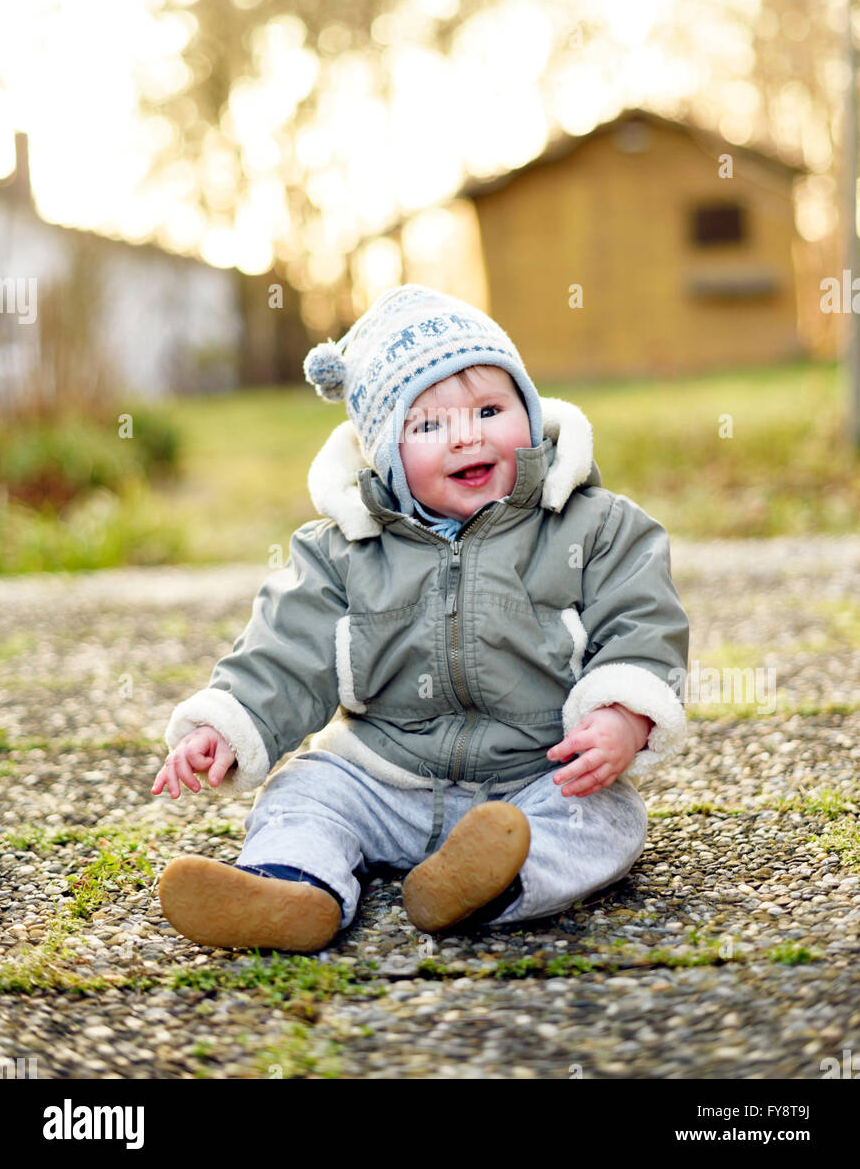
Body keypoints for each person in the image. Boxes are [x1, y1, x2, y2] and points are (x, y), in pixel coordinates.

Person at [153, 284, 689, 952]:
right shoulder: (341, 551)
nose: (467, 435)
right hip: (383, 775)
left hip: (535, 773)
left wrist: (621, 712)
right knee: (304, 791)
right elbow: (285, 650)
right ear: (382, 450)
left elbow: (641, 620)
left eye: (490, 409)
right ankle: (290, 885)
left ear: (527, 410)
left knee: (602, 817)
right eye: (428, 424)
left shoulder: (592, 526)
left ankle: (487, 884)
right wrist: (228, 724)